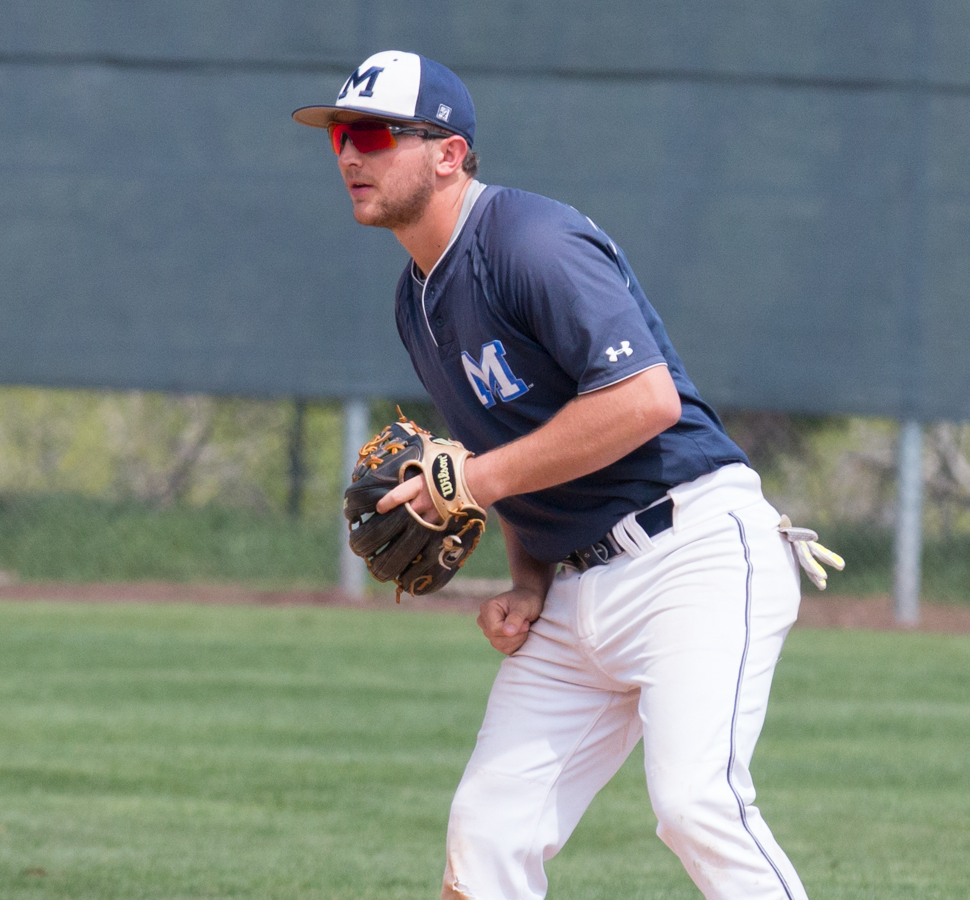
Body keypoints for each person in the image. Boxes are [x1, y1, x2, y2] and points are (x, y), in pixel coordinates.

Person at [294, 51, 816, 900]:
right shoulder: (415, 300)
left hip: (692, 553)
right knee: (488, 832)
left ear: (448, 153)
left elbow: (643, 400)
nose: (351, 153)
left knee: (696, 804)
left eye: (375, 133)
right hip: (575, 588)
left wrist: (476, 483)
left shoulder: (529, 241)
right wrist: (529, 581)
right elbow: (509, 447)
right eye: (341, 137)